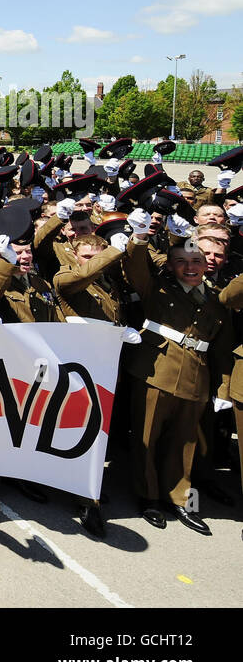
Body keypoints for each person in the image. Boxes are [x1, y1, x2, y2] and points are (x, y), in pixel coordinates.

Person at [121, 209, 234, 536]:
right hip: (155, 371)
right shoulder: (157, 287)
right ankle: (148, 498)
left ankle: (185, 502)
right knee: (147, 438)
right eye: (183, 261)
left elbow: (222, 348)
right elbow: (135, 265)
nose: (191, 266)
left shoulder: (217, 298)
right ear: (171, 265)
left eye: (198, 261)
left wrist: (222, 389)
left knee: (185, 445)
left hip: (196, 378)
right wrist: (139, 236)